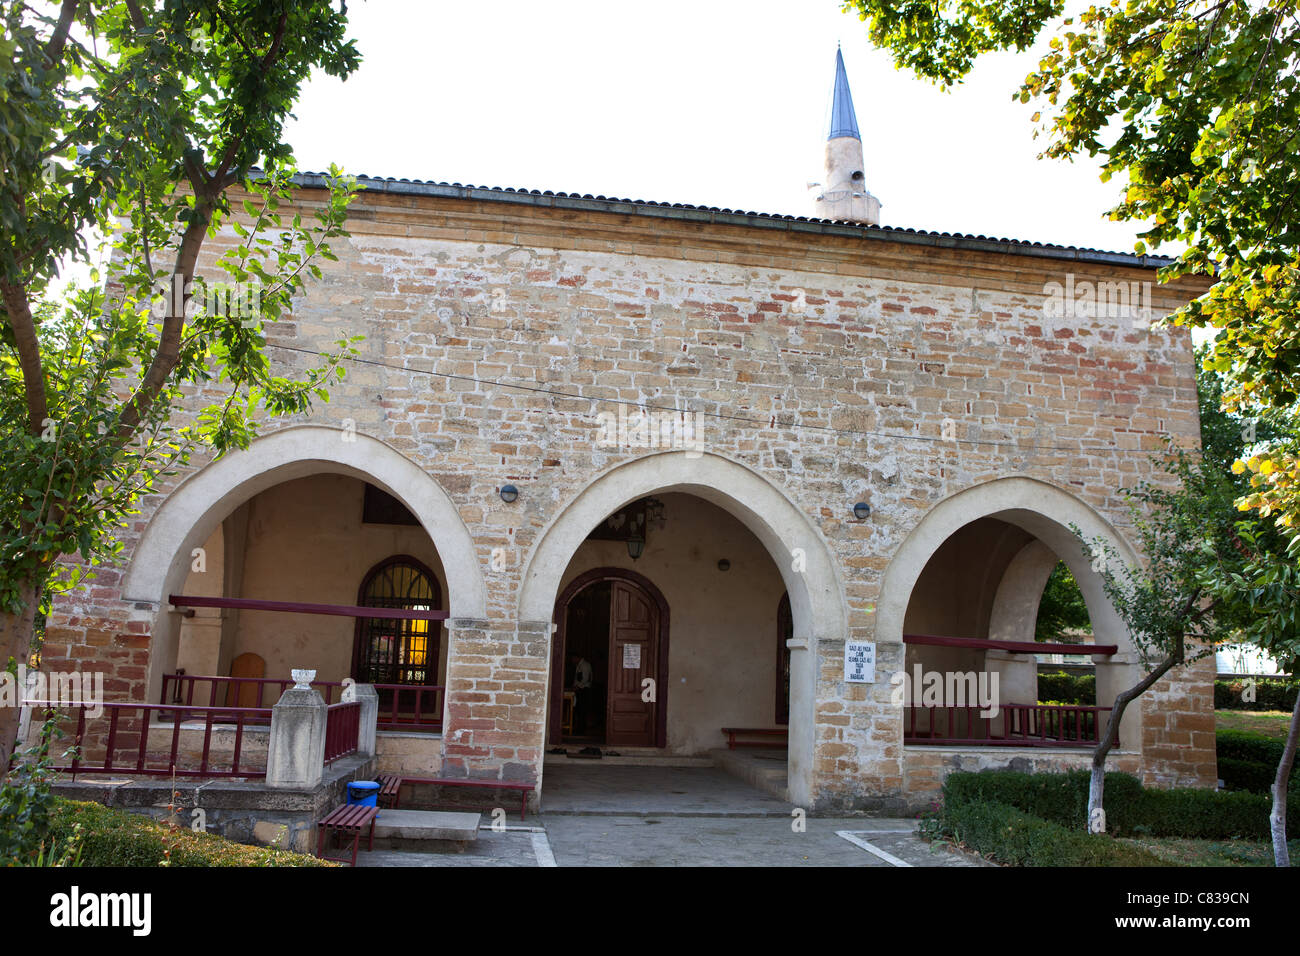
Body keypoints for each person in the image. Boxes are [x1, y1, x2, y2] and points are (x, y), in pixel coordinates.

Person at [571, 654, 594, 734]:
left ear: (577, 657)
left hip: (584, 690)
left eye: (573, 658)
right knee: (578, 709)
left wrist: (577, 687)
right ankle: (578, 727)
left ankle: (581, 729)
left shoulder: (585, 665)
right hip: (579, 690)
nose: (572, 660)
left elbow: (585, 678)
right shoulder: (579, 665)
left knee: (582, 709)